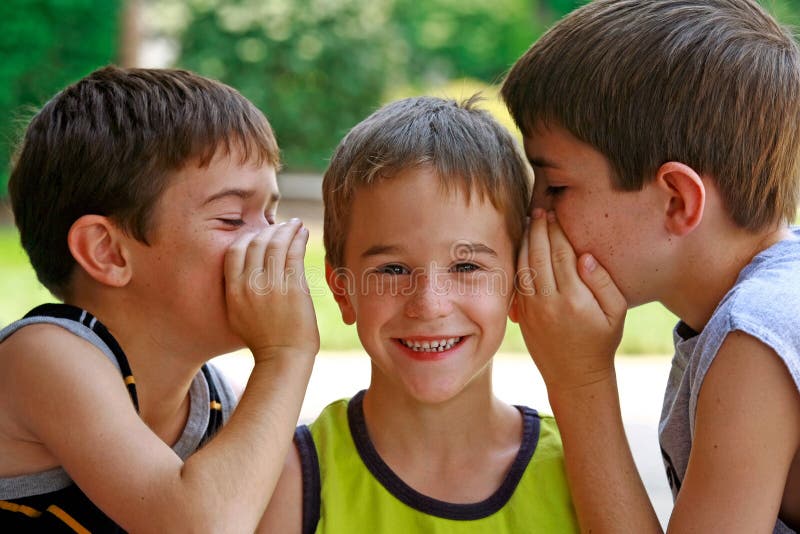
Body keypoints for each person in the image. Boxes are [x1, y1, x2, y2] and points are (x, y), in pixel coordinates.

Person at [501, 0, 800, 531]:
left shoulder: (754, 339)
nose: (534, 213)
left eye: (556, 186)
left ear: (677, 201)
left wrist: (579, 381)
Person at [0, 66, 319, 532]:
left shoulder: (212, 399)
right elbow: (201, 525)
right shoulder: (45, 356)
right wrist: (287, 355)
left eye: (271, 213)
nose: (271, 242)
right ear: (107, 251)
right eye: (232, 219)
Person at [258, 96, 578, 533]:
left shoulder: (577, 468)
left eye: (467, 267)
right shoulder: (293, 477)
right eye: (392, 269)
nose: (429, 304)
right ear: (343, 291)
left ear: (520, 282)